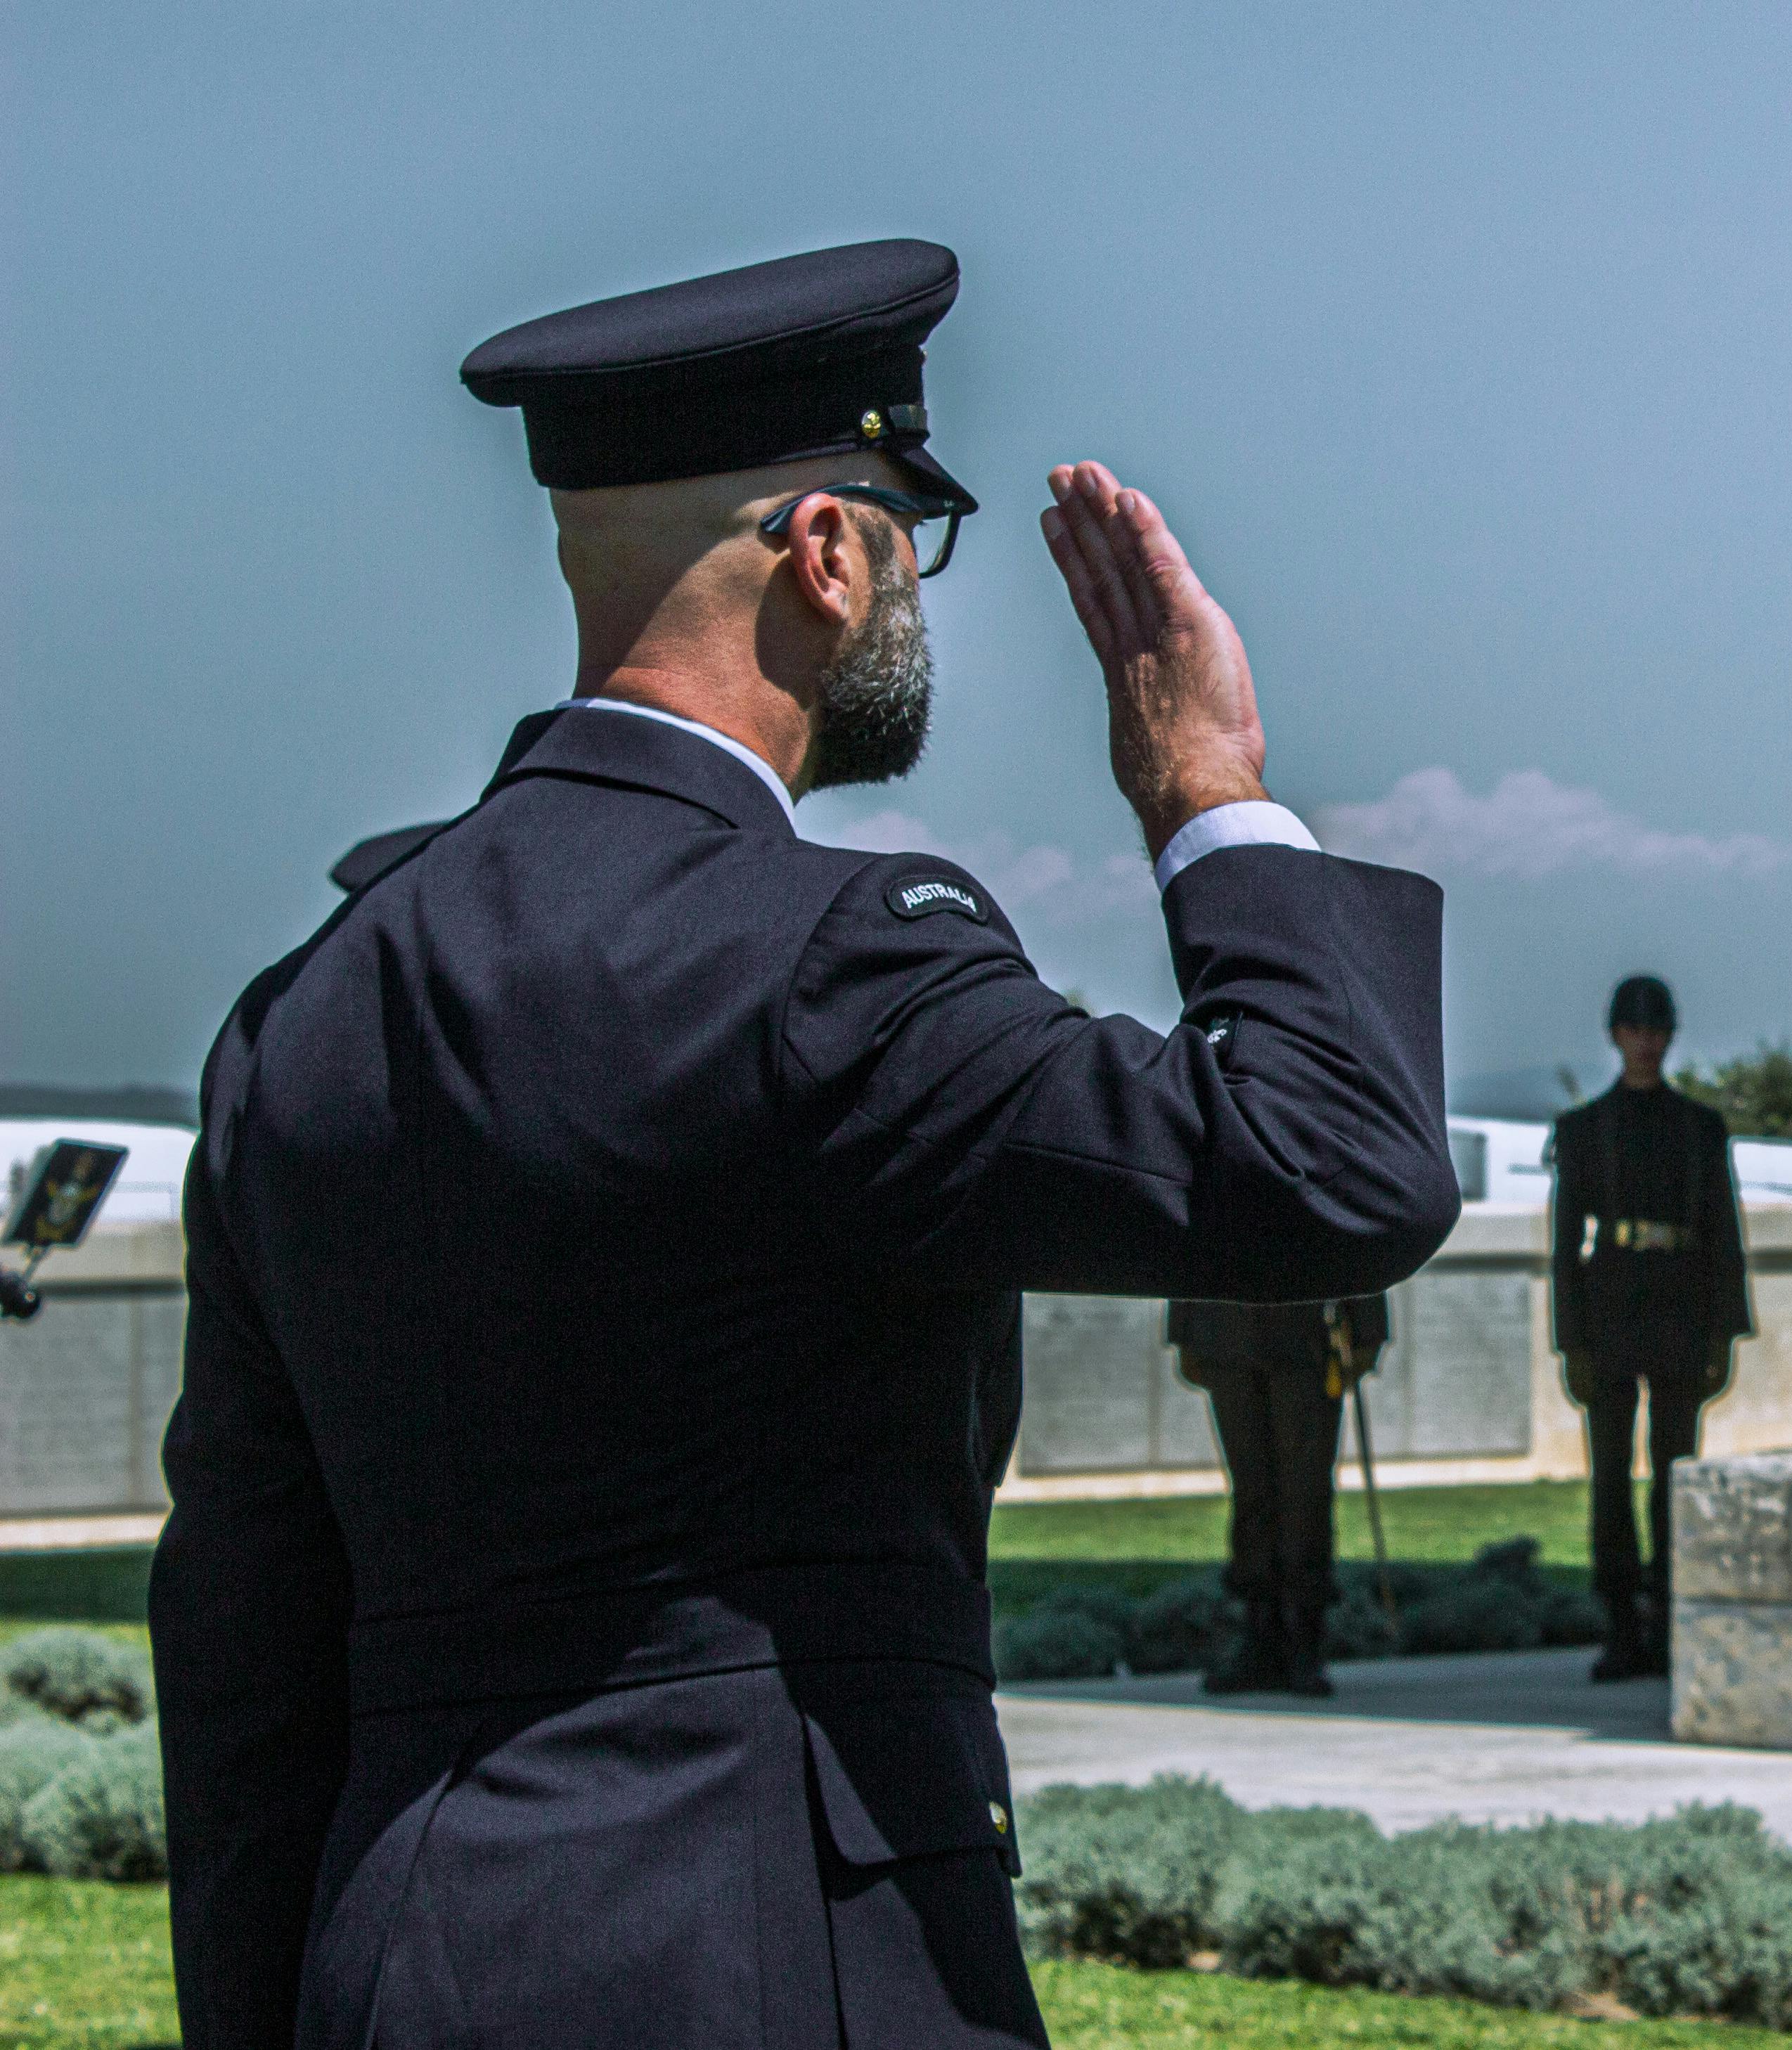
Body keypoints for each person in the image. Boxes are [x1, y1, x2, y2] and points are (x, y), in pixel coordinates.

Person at [147, 239, 1458, 2050]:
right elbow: (1333, 1162)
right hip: (773, 1965)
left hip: (401, 1955)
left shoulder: (310, 1005)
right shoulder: (831, 960)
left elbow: (242, 1645)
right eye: (914, 539)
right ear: (829, 554)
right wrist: (1208, 797)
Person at [1546, 974, 1750, 1680]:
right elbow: (1565, 1243)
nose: (1645, 1043)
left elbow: (1725, 1232)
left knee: (1675, 1474)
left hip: (1681, 1307)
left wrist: (1725, 1332)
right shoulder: (1583, 1130)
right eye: (1634, 1031)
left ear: (1668, 1037)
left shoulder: (1699, 1128)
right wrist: (1571, 1341)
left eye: (1655, 1031)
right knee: (1609, 1477)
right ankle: (1620, 1624)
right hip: (1610, 1309)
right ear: (1615, 1036)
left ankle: (1670, 1617)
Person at [1168, 1294, 1388, 1697]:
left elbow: (1357, 1231)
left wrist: (1368, 1327)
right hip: (1226, 1328)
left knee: (1305, 1496)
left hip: (1309, 1335)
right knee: (1251, 1494)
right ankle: (1260, 1636)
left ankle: (1303, 1640)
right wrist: (1184, 1328)